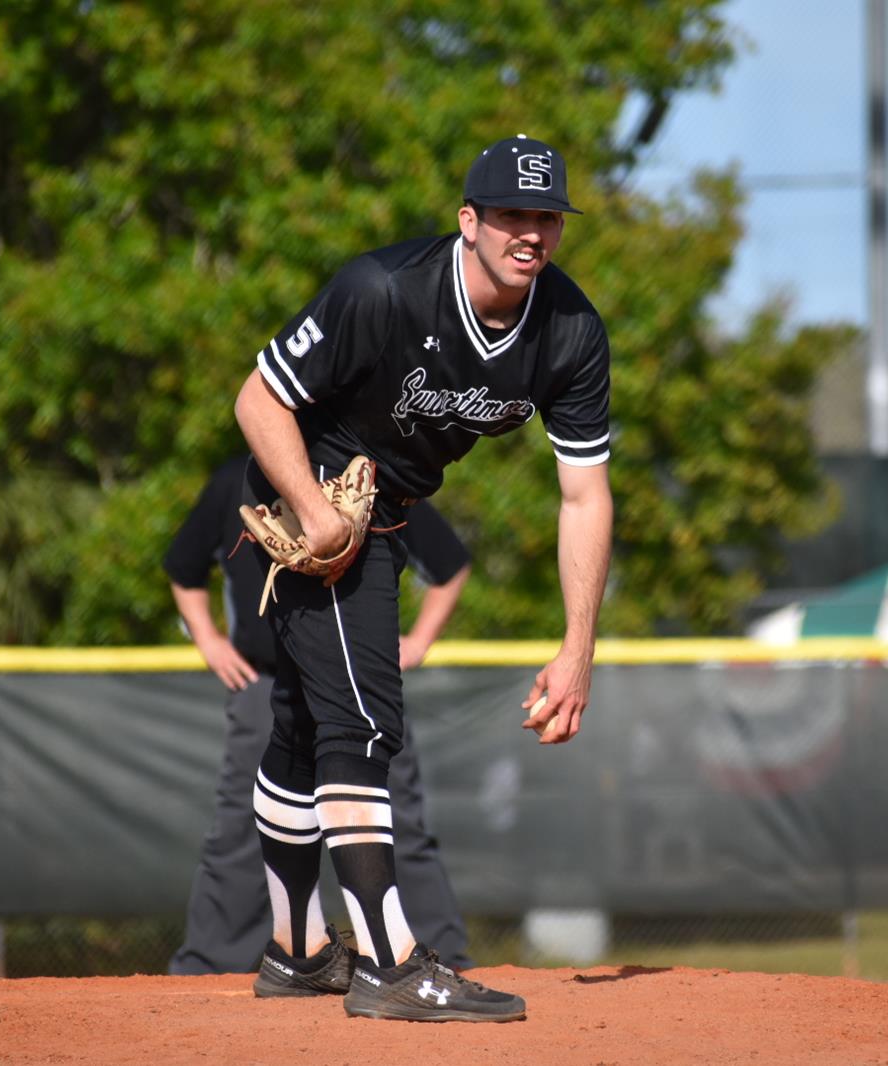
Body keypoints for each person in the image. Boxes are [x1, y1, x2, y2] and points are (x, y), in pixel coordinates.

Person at [232, 134, 612, 1022]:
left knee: (303, 728)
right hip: (305, 493)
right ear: (468, 221)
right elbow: (260, 399)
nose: (531, 233)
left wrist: (578, 647)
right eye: (512, 214)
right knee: (363, 717)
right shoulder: (383, 289)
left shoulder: (569, 332)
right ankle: (390, 964)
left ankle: (295, 955)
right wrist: (317, 512)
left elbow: (585, 496)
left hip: (392, 511)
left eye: (546, 216)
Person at [164, 454, 477, 975]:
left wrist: (419, 640)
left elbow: (449, 564)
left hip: (361, 683)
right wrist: (210, 642)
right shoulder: (236, 481)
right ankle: (215, 962)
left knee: (394, 819)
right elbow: (182, 567)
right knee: (243, 827)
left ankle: (432, 952)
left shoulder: (374, 477)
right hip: (265, 684)